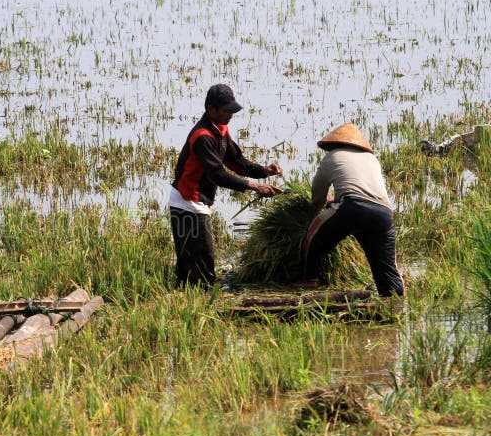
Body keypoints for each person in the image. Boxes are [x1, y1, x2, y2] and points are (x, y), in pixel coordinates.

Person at [169, 84, 283, 288]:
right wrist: (255, 186)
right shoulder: (202, 136)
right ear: (211, 109)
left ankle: (190, 296)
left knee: (197, 261)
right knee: (201, 262)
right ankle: (198, 301)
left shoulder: (220, 130)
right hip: (188, 202)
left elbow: (236, 161)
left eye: (232, 110)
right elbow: (218, 174)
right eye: (226, 110)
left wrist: (263, 171)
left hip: (198, 202)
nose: (231, 114)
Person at [303, 123, 404, 296]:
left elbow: (317, 194)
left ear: (333, 145)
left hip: (352, 208)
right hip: (383, 213)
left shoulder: (332, 156)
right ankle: (395, 303)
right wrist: (336, 199)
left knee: (314, 232)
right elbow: (366, 191)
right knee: (387, 269)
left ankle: (309, 277)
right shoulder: (372, 159)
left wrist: (318, 207)